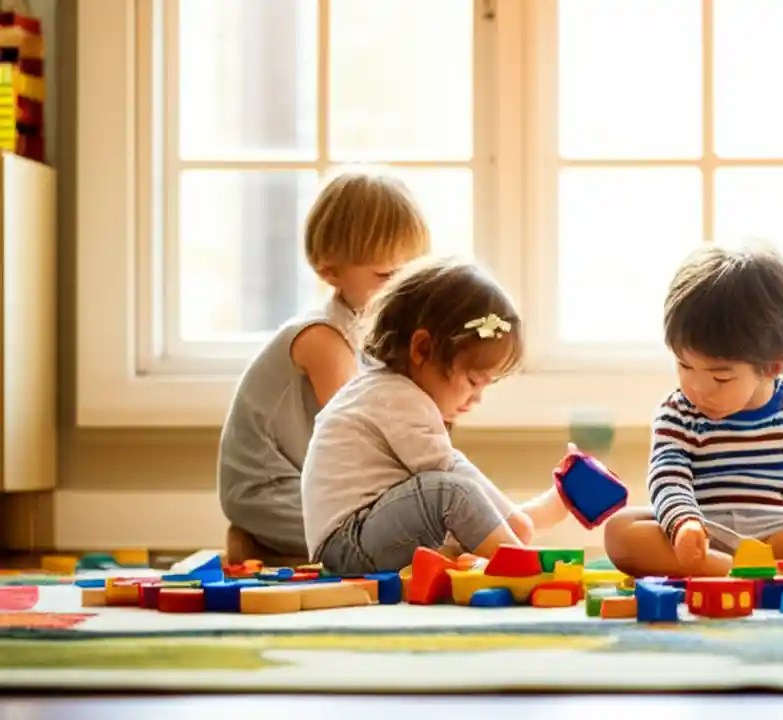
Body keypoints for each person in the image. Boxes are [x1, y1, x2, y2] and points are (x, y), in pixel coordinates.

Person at [604, 243, 783, 578]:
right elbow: (667, 477)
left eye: (720, 376)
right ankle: (743, 569)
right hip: (706, 536)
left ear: (773, 366)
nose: (696, 387)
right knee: (621, 531)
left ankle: (748, 567)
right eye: (683, 365)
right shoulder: (676, 413)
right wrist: (684, 523)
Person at [303, 256, 569, 573]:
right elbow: (448, 473)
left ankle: (506, 549)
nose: (477, 398)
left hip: (358, 535)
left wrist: (515, 520)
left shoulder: (383, 391)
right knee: (447, 490)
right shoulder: (398, 397)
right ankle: (523, 571)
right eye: (472, 381)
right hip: (350, 541)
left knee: (450, 498)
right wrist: (515, 521)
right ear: (422, 350)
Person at [217, 167, 429, 564]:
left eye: (412, 273)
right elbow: (361, 438)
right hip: (268, 490)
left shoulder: (370, 335)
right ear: (329, 270)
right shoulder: (324, 340)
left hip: (310, 483)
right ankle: (261, 546)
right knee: (393, 534)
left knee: (409, 522)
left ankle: (280, 549)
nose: (403, 288)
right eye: (386, 275)